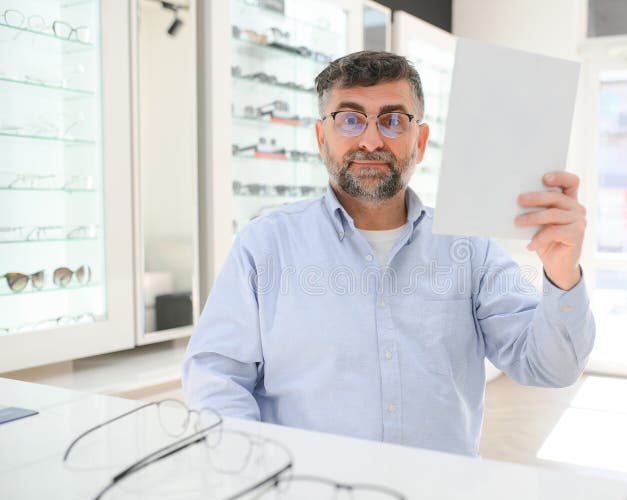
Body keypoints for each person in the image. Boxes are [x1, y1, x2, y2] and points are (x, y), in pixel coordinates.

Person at [183, 50, 594, 457]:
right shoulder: (264, 247)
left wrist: (562, 273)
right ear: (320, 136)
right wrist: (257, 472)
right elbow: (216, 379)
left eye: (394, 120)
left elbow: (551, 367)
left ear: (420, 140)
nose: (371, 140)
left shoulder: (471, 249)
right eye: (350, 118)